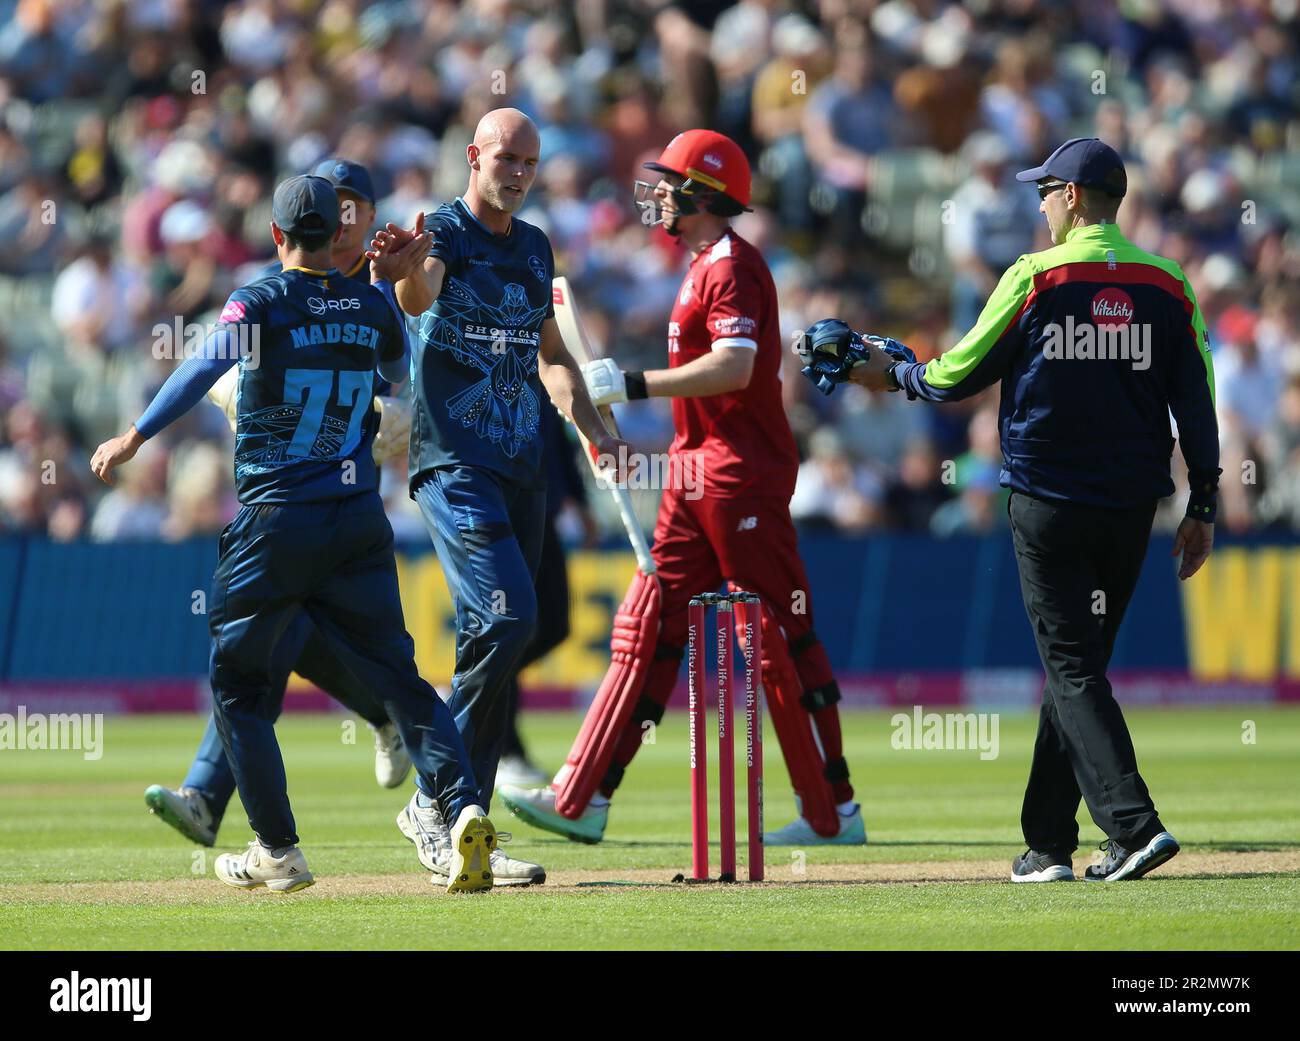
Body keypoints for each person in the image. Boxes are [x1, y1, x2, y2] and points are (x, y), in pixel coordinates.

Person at [92, 174, 498, 894]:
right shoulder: (371, 306)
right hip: (357, 520)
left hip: (277, 520)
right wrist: (380, 289)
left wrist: (135, 433)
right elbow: (398, 376)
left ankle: (277, 848)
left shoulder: (261, 299)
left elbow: (201, 365)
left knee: (240, 689)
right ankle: (462, 804)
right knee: (402, 680)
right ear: (337, 230)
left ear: (279, 236)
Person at [847, 138, 1219, 882]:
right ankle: (1048, 842)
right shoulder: (1170, 283)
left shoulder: (1035, 276)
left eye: (1045, 191)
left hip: (1048, 501)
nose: (1040, 204)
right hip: (1128, 509)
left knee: (1073, 667)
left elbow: (956, 375)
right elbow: (1197, 403)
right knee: (1075, 668)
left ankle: (1134, 825)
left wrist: (898, 373)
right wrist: (1203, 501)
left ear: (1074, 197)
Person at [500, 130, 866, 848]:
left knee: (777, 640)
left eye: (669, 183)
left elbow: (734, 366)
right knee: (644, 629)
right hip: (692, 470)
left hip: (740, 478)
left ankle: (834, 811)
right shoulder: (700, 267)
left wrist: (631, 384)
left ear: (702, 193)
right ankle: (582, 796)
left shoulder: (734, 268)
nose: (658, 194)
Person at [377, 108, 627, 885]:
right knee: (512, 616)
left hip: (526, 472)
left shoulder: (535, 246)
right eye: (505, 158)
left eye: (529, 161)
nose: (517, 172)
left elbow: (552, 356)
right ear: (473, 156)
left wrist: (595, 432)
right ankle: (437, 798)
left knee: (503, 636)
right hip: (456, 465)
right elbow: (418, 297)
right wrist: (404, 270)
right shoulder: (443, 230)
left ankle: (463, 826)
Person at [142, 159, 416, 850]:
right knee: (278, 643)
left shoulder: (380, 287)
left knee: (264, 650)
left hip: (344, 502)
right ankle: (217, 794)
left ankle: (236, 811)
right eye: (335, 205)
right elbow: (213, 364)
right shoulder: (286, 290)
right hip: (292, 501)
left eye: (355, 205)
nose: (343, 219)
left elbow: (406, 390)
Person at [496, 399, 596, 789]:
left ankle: (469, 683)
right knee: (509, 630)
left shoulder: (539, 359)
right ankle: (507, 751)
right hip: (499, 511)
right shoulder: (493, 351)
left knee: (554, 625)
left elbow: (556, 440)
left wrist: (580, 503)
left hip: (544, 510)